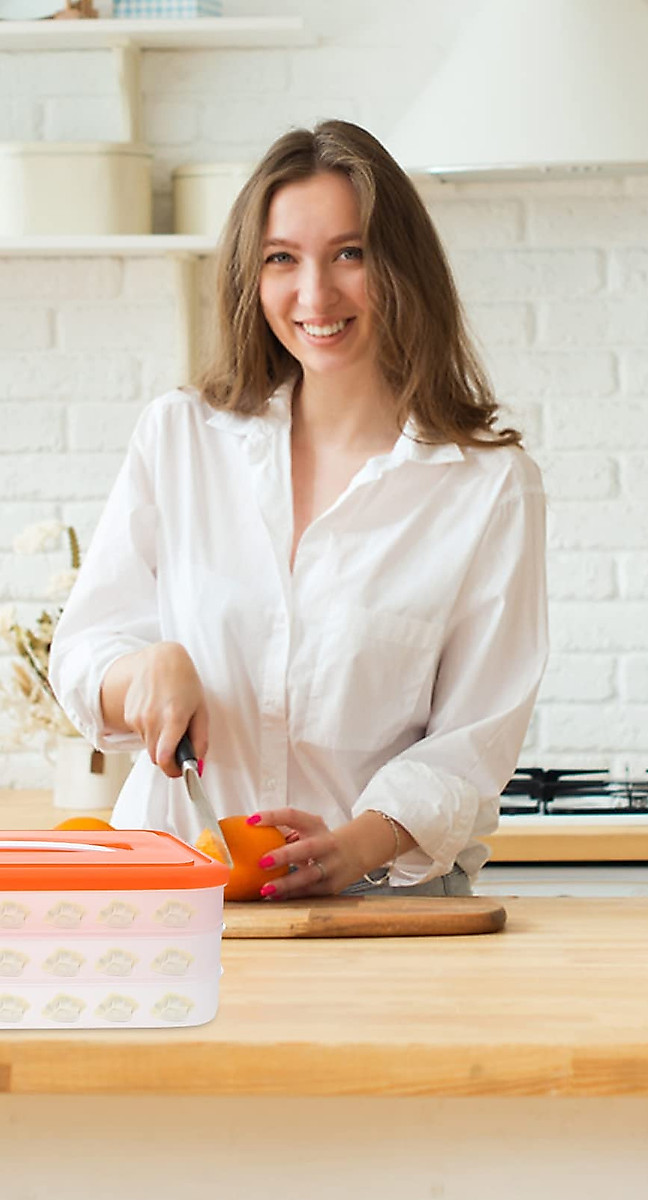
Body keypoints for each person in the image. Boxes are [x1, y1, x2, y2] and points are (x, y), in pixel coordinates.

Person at [48, 120, 547, 899]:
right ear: (254, 275)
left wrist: (355, 846)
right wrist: (142, 669)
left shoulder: (487, 486)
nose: (315, 295)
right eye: (283, 259)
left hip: (378, 908)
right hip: (175, 898)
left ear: (402, 268)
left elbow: (473, 743)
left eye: (350, 253)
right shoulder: (182, 437)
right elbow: (81, 652)